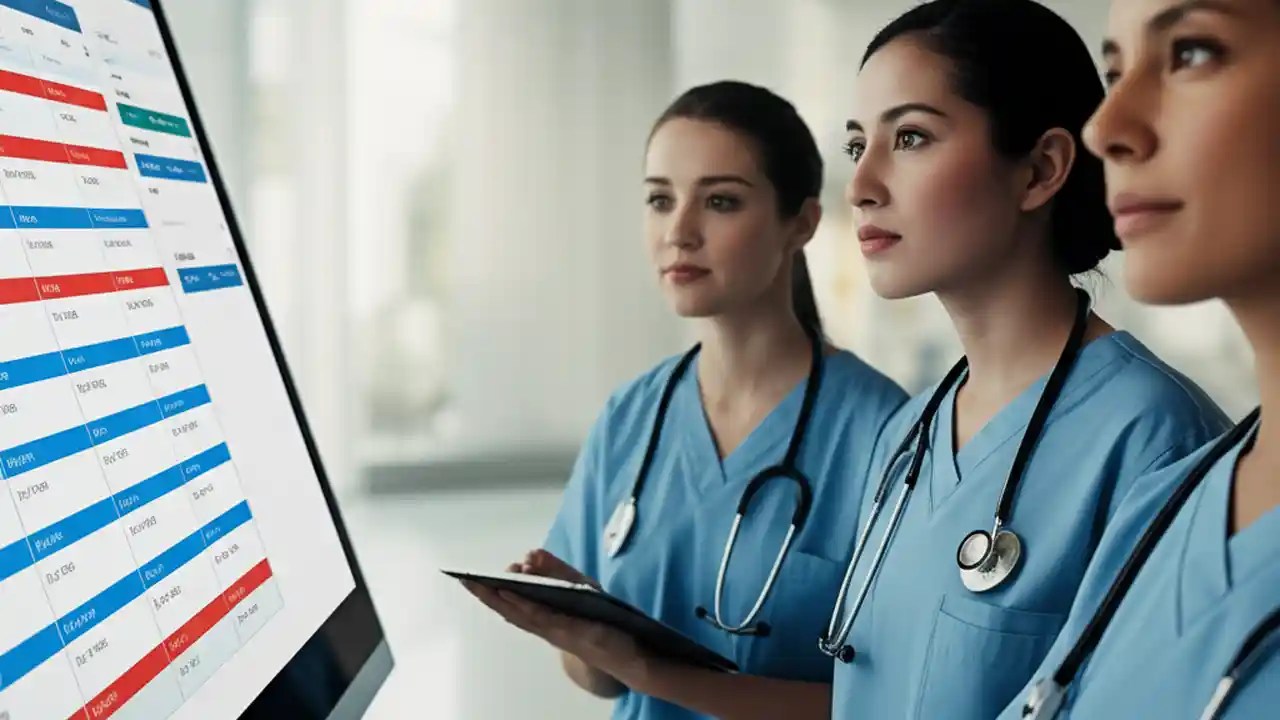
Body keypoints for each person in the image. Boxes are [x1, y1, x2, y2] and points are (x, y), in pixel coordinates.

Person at [827, 1, 1230, 718]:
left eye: (911, 136)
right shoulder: (905, 437)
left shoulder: (1155, 438)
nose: (860, 186)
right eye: (859, 146)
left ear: (1041, 169)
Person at [463, 80, 907, 719]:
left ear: (801, 223)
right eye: (659, 201)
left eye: (720, 201)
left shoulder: (885, 434)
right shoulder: (630, 417)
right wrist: (584, 628)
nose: (680, 231)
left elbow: (893, 704)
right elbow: (600, 682)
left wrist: (649, 667)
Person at [1001, 0, 1280, 717]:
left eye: (1190, 53)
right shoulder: (1165, 505)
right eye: (1116, 70)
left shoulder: (1151, 433)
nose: (1104, 127)